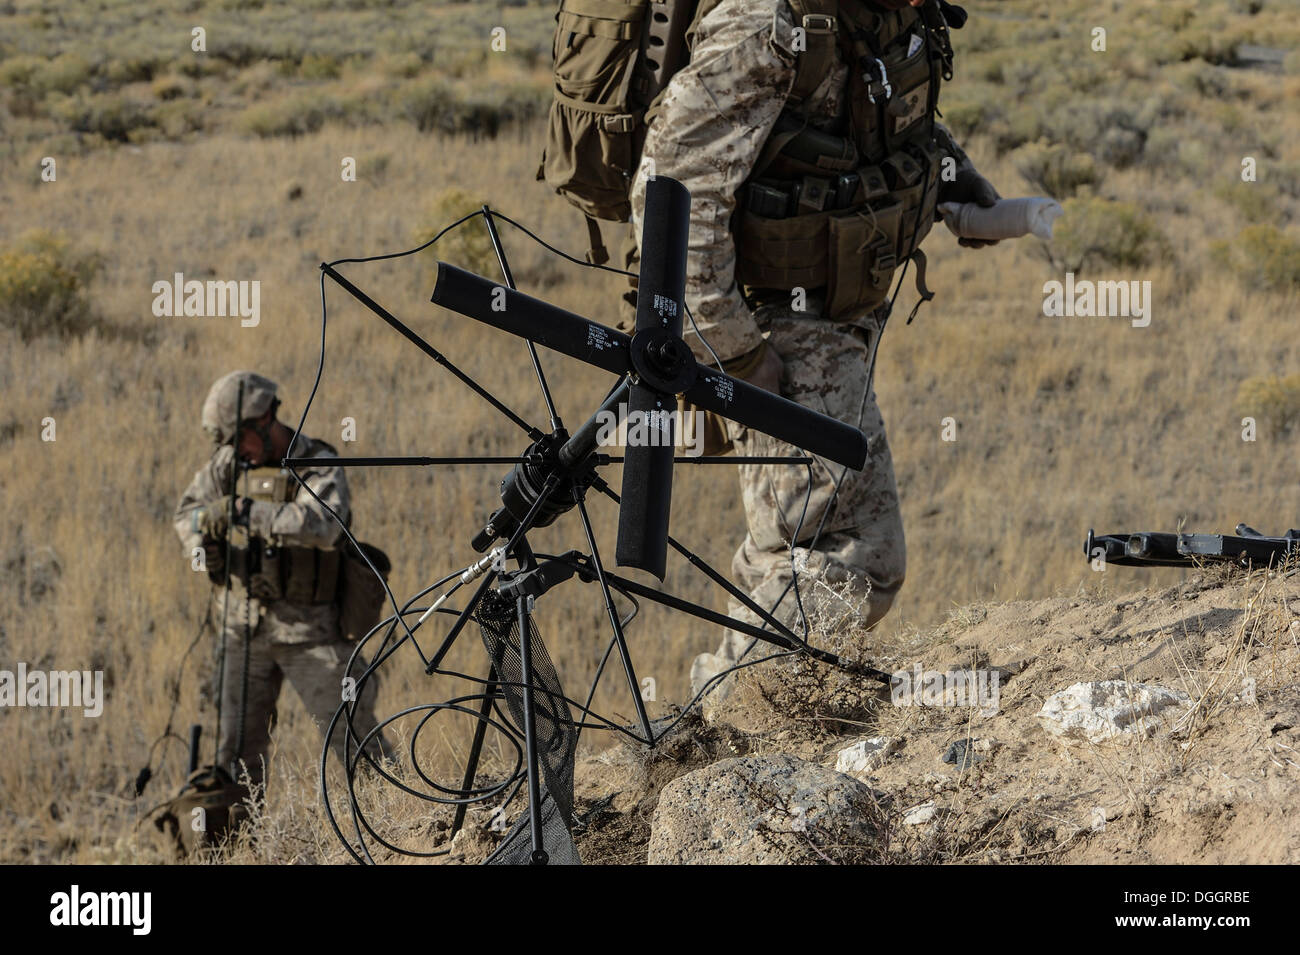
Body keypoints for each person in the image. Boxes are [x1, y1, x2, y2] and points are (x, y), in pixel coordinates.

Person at [620, 0, 1002, 696]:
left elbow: (878, 110)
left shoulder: (883, 10)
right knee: (853, 553)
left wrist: (954, 184)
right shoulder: (767, 22)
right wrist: (738, 355)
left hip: (832, 315)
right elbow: (670, 190)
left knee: (795, 551)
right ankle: (737, 720)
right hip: (779, 327)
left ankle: (726, 724)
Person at [173, 370, 394, 797]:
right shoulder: (229, 462)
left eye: (240, 440)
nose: (237, 452)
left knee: (355, 739)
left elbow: (323, 525)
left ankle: (400, 828)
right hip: (241, 630)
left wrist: (241, 513)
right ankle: (237, 844)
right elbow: (188, 514)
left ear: (263, 420)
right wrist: (203, 540)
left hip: (311, 631)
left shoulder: (317, 461)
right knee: (234, 753)